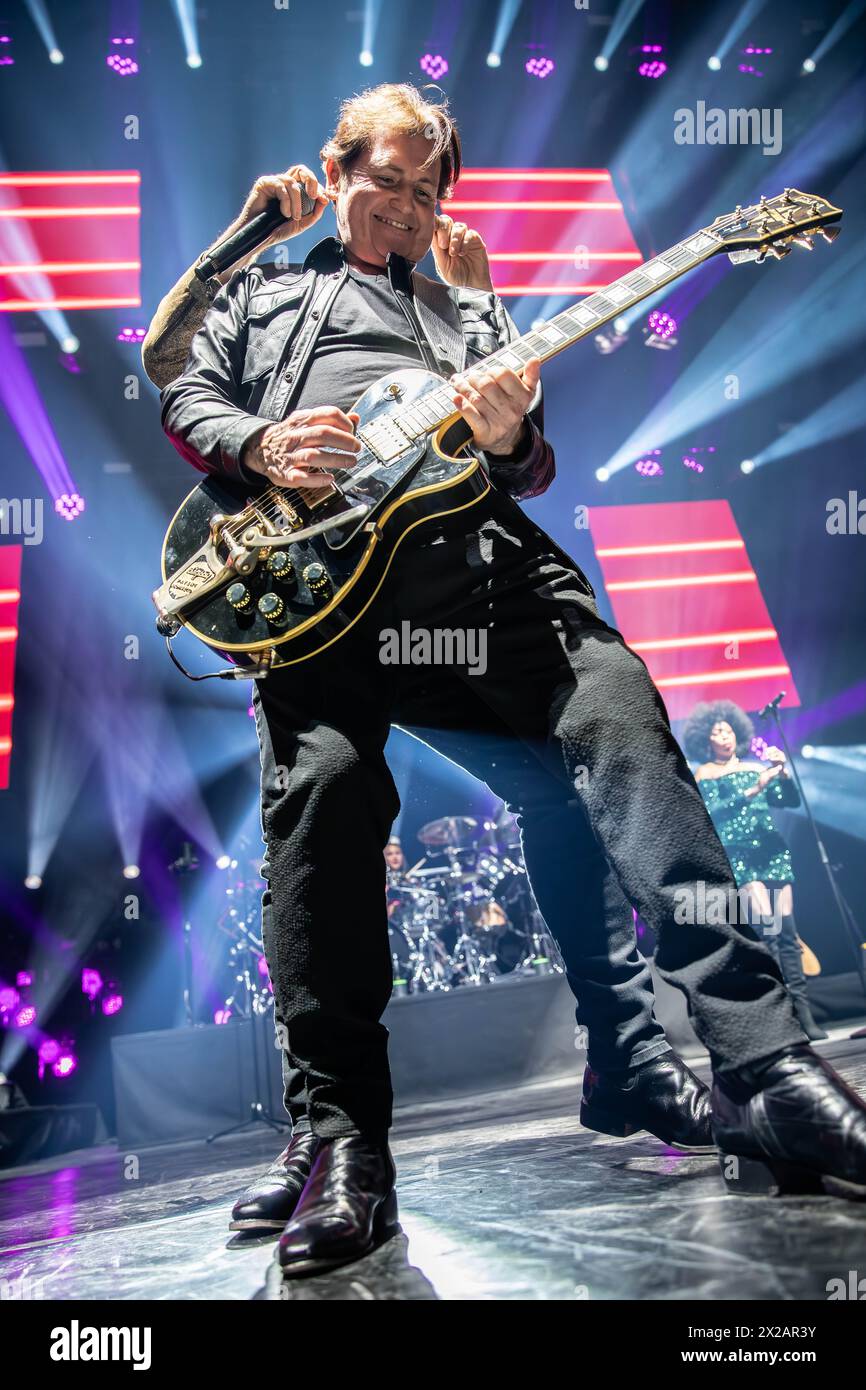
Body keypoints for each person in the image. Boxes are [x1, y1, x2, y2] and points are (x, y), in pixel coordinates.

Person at [145, 82, 866, 1277]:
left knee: (618, 716)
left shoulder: (465, 308)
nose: (413, 209)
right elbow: (184, 390)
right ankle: (341, 1142)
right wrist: (261, 443)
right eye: (392, 182)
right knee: (321, 793)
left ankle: (763, 1062)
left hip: (482, 585)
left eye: (431, 192)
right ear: (338, 172)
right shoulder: (266, 290)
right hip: (319, 602)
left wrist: (503, 433)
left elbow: (527, 460)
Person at [684, 701, 827, 1041]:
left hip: (771, 852)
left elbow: (787, 800)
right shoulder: (705, 773)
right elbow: (712, 812)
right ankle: (781, 1015)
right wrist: (753, 789)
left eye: (729, 730)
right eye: (718, 732)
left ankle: (803, 1013)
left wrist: (783, 772)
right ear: (706, 740)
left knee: (789, 934)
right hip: (742, 857)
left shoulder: (752, 766)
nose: (725, 736)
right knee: (770, 931)